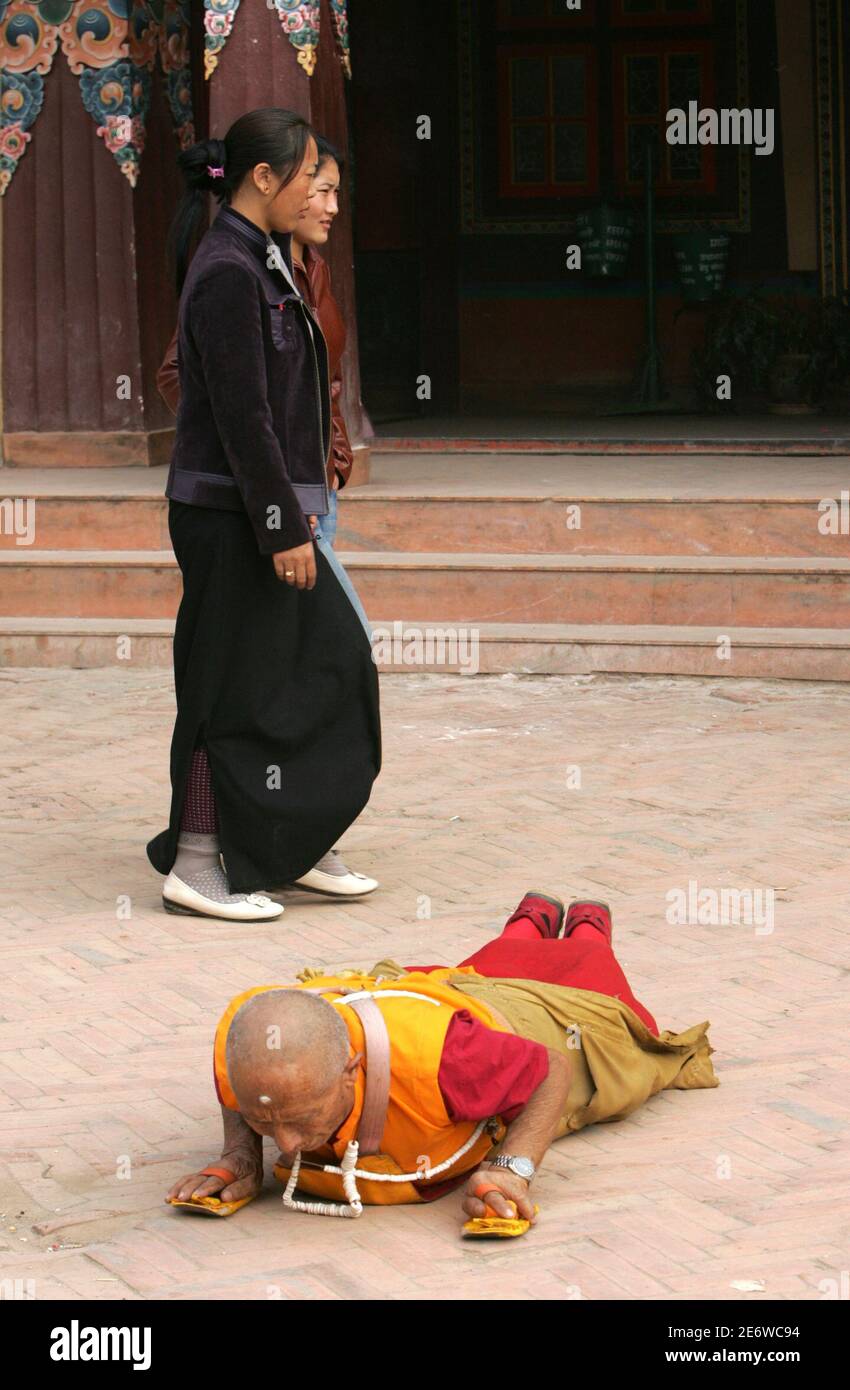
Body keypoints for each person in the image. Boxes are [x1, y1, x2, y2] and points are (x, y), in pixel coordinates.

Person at [145, 109, 381, 922]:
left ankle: (288, 842)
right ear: (264, 179)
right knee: (227, 686)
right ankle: (199, 863)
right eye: (312, 176)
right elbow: (244, 418)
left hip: (267, 511)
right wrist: (281, 526)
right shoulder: (227, 271)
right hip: (228, 516)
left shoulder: (265, 260)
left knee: (317, 670)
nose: (324, 194)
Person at [166, 895, 718, 1226]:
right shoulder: (244, 1038)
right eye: (266, 1121)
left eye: (304, 1117)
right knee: (498, 957)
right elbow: (235, 1089)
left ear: (351, 1068)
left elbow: (551, 1067)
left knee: (604, 992)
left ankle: (589, 920)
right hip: (442, 996)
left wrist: (513, 1167)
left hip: (525, 1021)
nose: (285, 1146)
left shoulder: (449, 1060)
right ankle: (533, 915)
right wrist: (240, 1154)